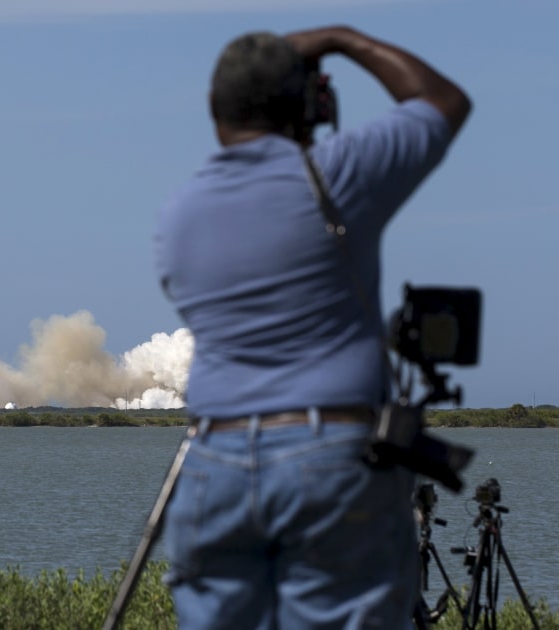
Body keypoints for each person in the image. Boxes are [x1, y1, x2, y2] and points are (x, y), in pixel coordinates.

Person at [152, 27, 470, 629]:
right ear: (310, 105)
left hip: (211, 462)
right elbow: (443, 102)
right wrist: (345, 41)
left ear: (216, 110)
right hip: (327, 458)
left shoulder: (179, 214)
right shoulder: (339, 174)